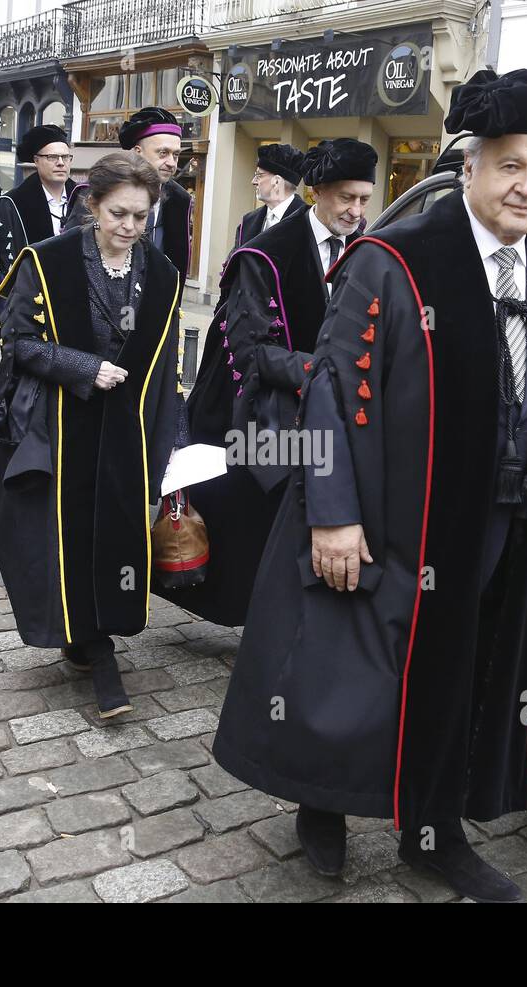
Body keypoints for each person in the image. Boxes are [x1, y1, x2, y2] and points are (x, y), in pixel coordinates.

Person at [211, 69, 527, 902]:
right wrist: (333, 514)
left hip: (504, 518)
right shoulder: (396, 261)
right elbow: (331, 392)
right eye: (513, 166)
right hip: (393, 513)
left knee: (462, 671)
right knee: (348, 669)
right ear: (472, 167)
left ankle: (433, 831)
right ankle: (323, 802)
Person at [0, 151, 184, 720]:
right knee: (65, 540)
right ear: (92, 205)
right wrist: (81, 367)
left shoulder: (164, 275)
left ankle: (92, 638)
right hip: (61, 426)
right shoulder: (47, 264)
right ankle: (97, 656)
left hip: (126, 430)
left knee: (116, 540)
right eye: (118, 213)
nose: (129, 227)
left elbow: (167, 366)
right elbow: (16, 344)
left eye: (140, 217)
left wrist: (170, 442)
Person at [163, 138, 376, 627]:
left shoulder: (369, 252)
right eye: (346, 198)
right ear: (316, 192)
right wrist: (326, 372)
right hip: (269, 417)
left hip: (341, 417)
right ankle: (265, 624)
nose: (356, 210)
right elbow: (252, 352)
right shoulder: (264, 256)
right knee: (262, 527)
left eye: (364, 199)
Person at [66, 107, 193, 285]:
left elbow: (176, 260)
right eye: (163, 153)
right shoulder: (99, 190)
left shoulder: (180, 198)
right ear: (137, 152)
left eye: (176, 154)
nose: (171, 163)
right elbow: (70, 251)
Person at [0, 124, 81, 281]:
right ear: (36, 160)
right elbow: (3, 256)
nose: (61, 163)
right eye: (52, 157)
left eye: (66, 157)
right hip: (32, 291)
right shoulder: (12, 204)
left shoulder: (83, 199)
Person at [234, 143, 306, 247]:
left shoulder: (307, 221)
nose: (253, 181)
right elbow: (234, 261)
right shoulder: (248, 222)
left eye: (259, 175)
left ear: (276, 182)